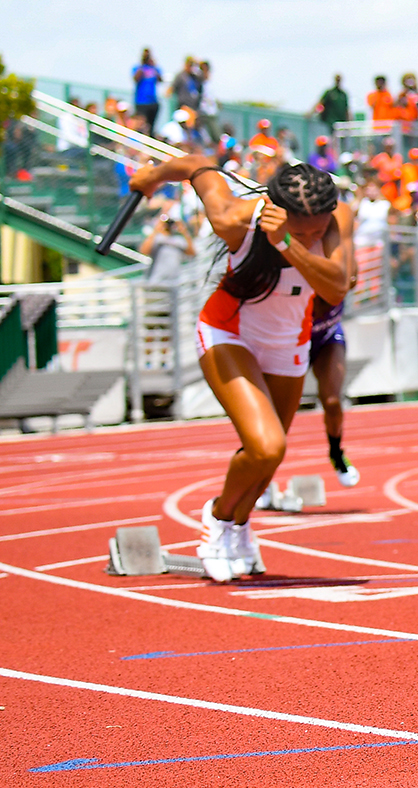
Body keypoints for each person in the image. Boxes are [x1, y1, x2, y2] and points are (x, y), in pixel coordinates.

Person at [128, 158, 347, 582]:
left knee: (267, 462)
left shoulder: (335, 221)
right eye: (303, 231)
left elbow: (336, 286)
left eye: (318, 231)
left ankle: (241, 525)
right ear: (272, 208)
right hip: (229, 334)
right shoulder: (233, 220)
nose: (314, 236)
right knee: (267, 447)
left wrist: (288, 242)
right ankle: (217, 517)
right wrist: (155, 176)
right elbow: (197, 166)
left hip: (290, 344)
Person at [309, 199, 362, 487]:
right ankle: (263, 474)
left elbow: (351, 276)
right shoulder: (305, 271)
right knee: (279, 414)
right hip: (291, 339)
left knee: (331, 400)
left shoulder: (340, 256)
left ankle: (336, 452)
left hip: (327, 335)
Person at [131, 49, 162, 136]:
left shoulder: (154, 69)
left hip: (153, 101)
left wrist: (154, 66)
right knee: (141, 124)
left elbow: (160, 79)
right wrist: (142, 65)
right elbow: (136, 79)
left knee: (151, 126)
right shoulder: (137, 68)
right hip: (141, 101)